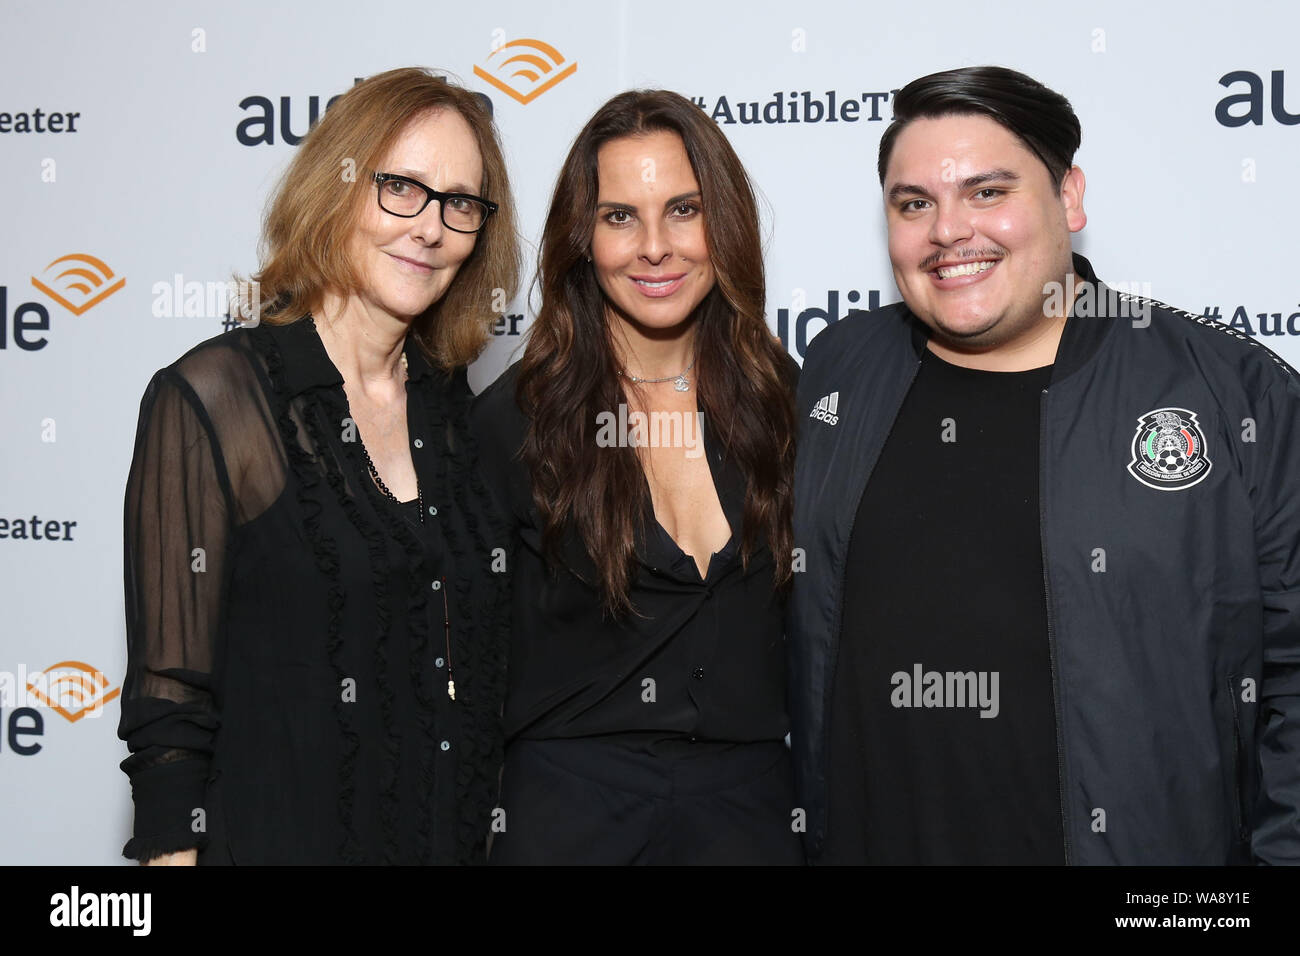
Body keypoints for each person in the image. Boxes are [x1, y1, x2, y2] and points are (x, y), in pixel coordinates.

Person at [790, 65, 1300, 865]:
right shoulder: (838, 372)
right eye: (913, 203)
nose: (949, 231)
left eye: (989, 192)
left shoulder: (1226, 388)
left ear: (1069, 199)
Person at [117, 67, 519, 865]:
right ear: (334, 188)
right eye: (401, 187)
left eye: (460, 203)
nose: (431, 227)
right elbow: (170, 706)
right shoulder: (218, 399)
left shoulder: (456, 414)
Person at [473, 90, 803, 865]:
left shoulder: (788, 403)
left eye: (683, 210)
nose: (655, 246)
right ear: (581, 239)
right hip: (566, 821)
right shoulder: (514, 423)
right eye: (620, 215)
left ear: (723, 222)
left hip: (752, 820)